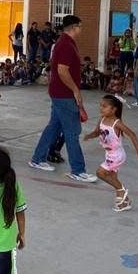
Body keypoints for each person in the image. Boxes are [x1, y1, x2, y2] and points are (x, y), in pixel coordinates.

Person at [27, 15, 93, 181]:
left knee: (54, 127)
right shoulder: (65, 45)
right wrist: (75, 90)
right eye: (80, 26)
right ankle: (78, 170)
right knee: (72, 132)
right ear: (74, 27)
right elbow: (62, 71)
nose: (81, 29)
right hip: (64, 95)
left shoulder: (66, 43)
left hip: (59, 93)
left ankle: (37, 158)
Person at [83, 94, 138, 211]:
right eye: (100, 106)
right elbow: (97, 132)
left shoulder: (117, 123)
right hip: (109, 154)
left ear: (114, 109)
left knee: (100, 173)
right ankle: (124, 202)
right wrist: (89, 136)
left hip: (116, 155)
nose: (101, 108)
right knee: (112, 177)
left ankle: (122, 191)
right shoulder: (102, 119)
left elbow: (132, 134)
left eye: (105, 106)